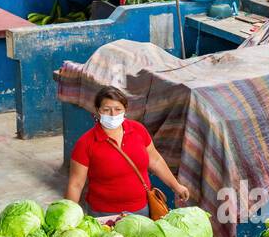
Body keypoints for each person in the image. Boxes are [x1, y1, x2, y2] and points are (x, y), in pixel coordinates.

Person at [65, 89, 190, 217]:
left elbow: (155, 161)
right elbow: (76, 184)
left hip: (141, 210)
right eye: (106, 109)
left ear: (125, 109)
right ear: (98, 110)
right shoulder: (86, 143)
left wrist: (176, 186)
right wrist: (68, 216)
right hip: (104, 214)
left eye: (118, 109)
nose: (113, 114)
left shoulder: (138, 130)